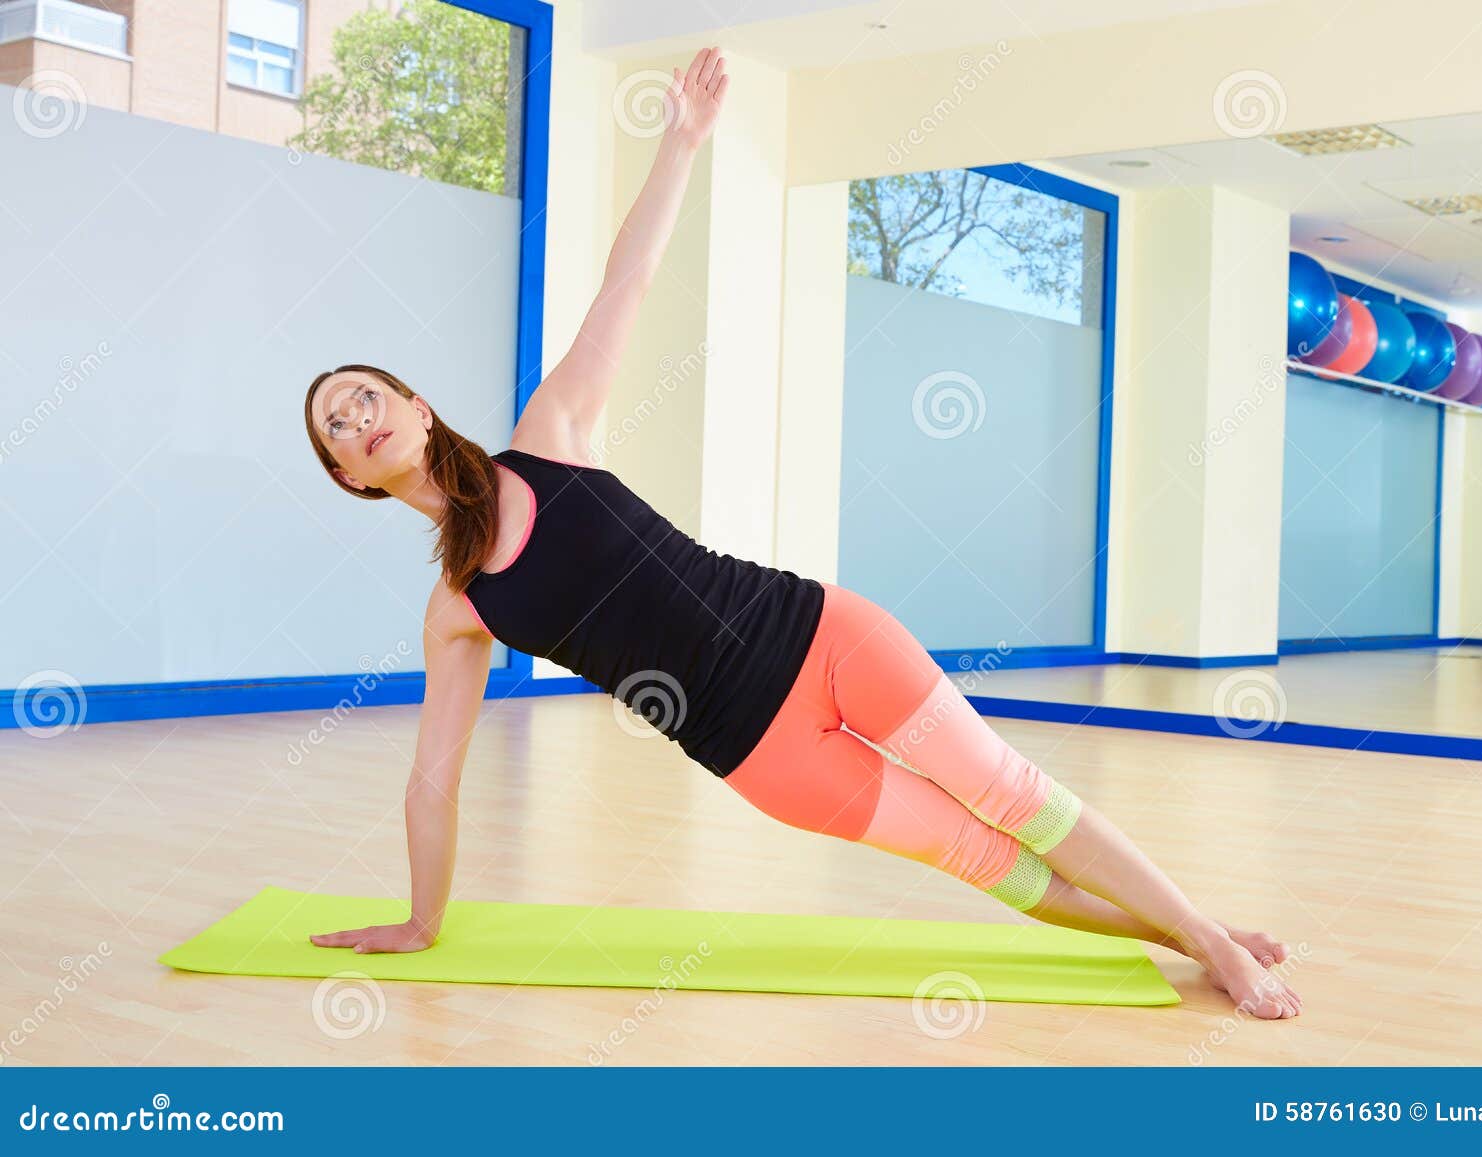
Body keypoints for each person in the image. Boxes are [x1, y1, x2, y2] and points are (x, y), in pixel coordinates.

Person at [302, 48, 1300, 1019]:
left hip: (823, 636)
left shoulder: (547, 435)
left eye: (363, 394)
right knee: (984, 858)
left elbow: (628, 281)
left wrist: (682, 145)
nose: (356, 417)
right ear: (352, 477)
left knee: (1011, 789)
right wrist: (421, 919)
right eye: (336, 429)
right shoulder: (458, 610)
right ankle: (1192, 936)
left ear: (418, 404)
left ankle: (1208, 938)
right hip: (760, 751)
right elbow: (434, 776)